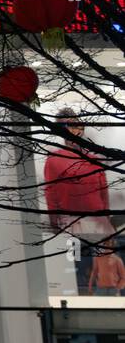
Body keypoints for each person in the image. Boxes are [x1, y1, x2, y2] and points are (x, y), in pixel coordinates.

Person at [43, 108, 117, 293]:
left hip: (93, 226)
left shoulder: (92, 159)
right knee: (74, 271)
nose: (74, 130)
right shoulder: (54, 160)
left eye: (76, 125)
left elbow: (103, 194)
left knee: (86, 268)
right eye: (68, 125)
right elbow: (51, 195)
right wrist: (56, 224)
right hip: (72, 227)